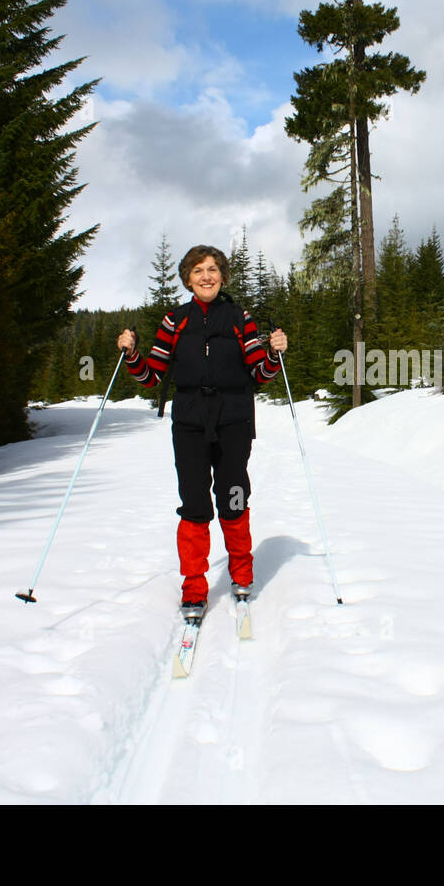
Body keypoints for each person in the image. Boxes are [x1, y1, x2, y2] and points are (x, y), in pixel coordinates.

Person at [117, 244, 288, 620]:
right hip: (190, 422)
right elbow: (152, 377)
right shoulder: (174, 321)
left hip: (234, 420)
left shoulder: (240, 318)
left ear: (222, 276)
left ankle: (242, 575)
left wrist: (274, 353)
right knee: (194, 505)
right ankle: (194, 587)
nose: (206, 276)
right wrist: (131, 354)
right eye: (198, 271)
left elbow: (260, 373)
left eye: (213, 269)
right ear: (188, 279)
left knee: (234, 496)